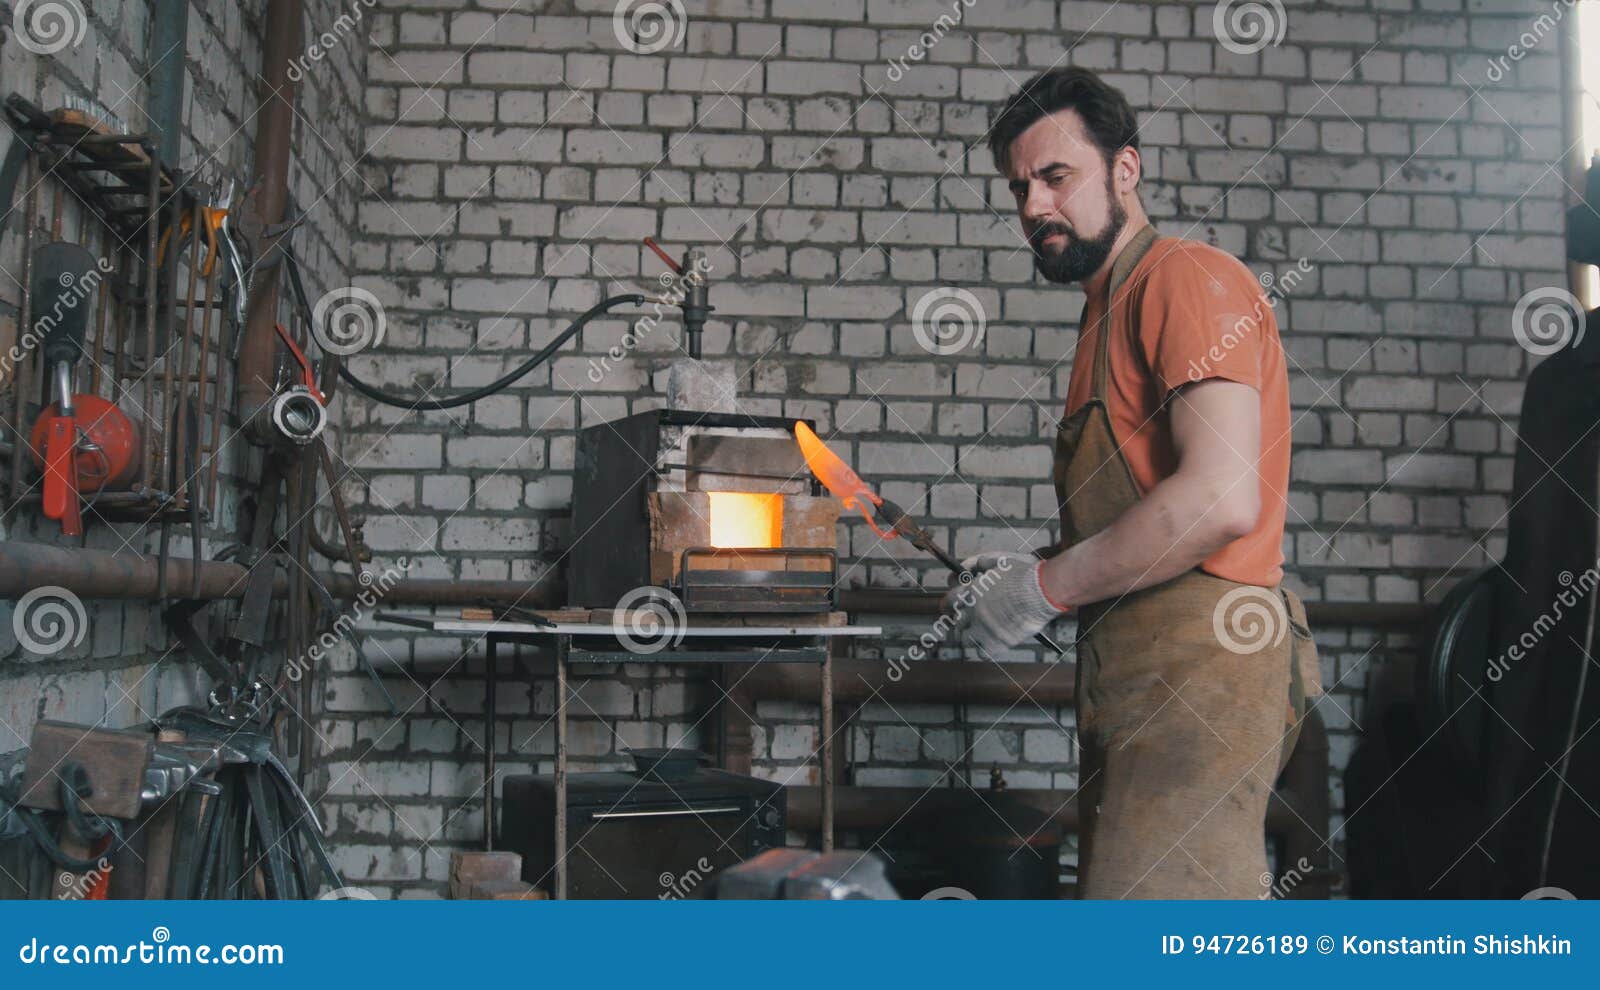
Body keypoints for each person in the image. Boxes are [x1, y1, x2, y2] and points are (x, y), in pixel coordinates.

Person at [949, 67, 1320, 899]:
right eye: (1019, 188)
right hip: (1136, 678)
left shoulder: (1185, 280)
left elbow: (1221, 500)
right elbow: (1146, 502)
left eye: (1055, 177)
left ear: (1125, 170)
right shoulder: (1103, 316)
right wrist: (1026, 573)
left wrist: (1044, 588)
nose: (1034, 207)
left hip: (1203, 673)